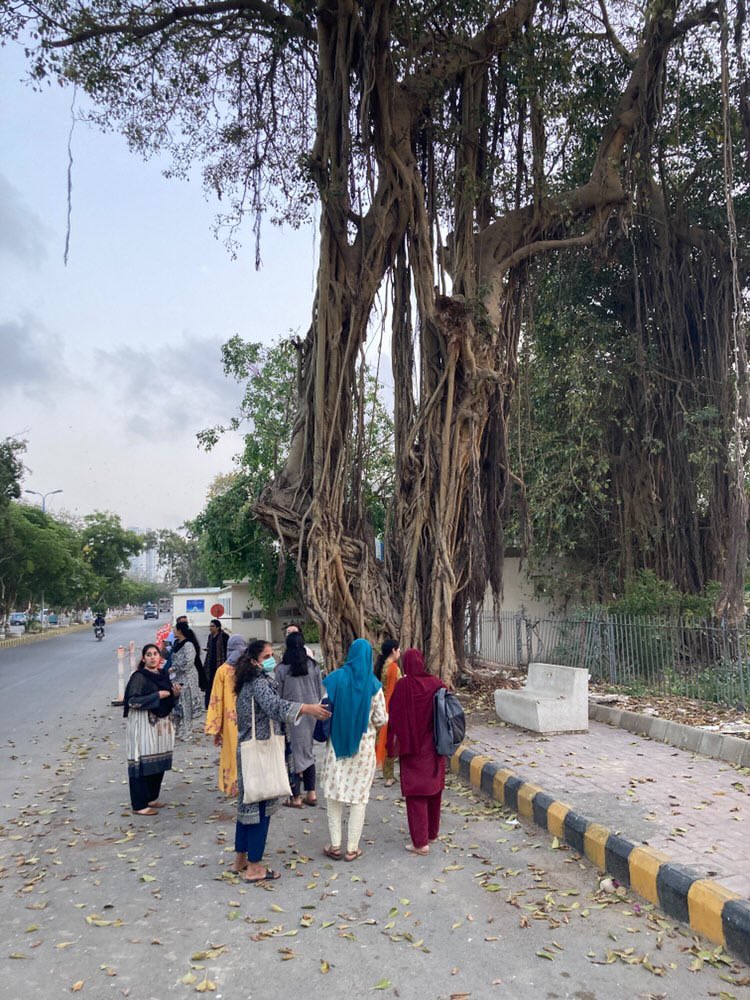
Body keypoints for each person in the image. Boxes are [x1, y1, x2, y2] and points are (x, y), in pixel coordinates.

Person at [233, 639, 330, 881]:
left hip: (249, 750)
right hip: (260, 752)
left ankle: (241, 860)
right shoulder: (259, 683)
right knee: (261, 806)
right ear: (255, 660)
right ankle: (255, 867)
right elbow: (276, 707)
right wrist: (307, 708)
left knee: (248, 804)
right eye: (267, 655)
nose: (271, 659)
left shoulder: (249, 682)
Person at [321, 638, 387, 862]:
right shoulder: (374, 686)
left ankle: (335, 845)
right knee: (359, 798)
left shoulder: (334, 680)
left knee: (334, 795)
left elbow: (323, 710)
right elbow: (381, 718)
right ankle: (352, 848)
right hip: (364, 748)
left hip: (337, 746)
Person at [386, 647, 446, 855]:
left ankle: (420, 843)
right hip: (434, 746)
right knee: (433, 789)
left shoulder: (403, 686)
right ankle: (432, 833)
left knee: (416, 794)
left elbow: (393, 715)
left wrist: (390, 746)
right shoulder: (437, 683)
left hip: (412, 747)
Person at [123, 643, 181, 816]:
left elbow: (169, 700)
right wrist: (156, 696)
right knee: (141, 761)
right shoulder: (139, 677)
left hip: (162, 725)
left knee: (158, 760)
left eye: (155, 654)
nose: (153, 657)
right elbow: (132, 701)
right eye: (148, 654)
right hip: (143, 724)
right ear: (143, 658)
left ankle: (151, 797)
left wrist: (175, 695)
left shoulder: (163, 675)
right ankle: (139, 805)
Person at [276, 632, 325, 807]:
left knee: (292, 752)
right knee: (308, 750)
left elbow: (278, 695)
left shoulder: (282, 669)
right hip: (312, 711)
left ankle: (295, 797)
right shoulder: (314, 666)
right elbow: (320, 691)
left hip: (291, 714)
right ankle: (311, 793)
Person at [204, 634, 247, 797]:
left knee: (231, 752)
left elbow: (216, 700)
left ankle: (233, 786)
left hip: (230, 721)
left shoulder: (222, 671)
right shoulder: (249, 667)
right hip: (249, 718)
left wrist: (215, 727)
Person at [170, 620, 204, 740]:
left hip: (188, 678)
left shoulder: (188, 644)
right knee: (177, 706)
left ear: (180, 630)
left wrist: (174, 668)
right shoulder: (176, 643)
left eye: (175, 629)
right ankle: (178, 730)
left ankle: (188, 731)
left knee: (187, 705)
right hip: (177, 678)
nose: (173, 631)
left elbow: (189, 662)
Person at [374, 639, 401, 787]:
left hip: (380, 706)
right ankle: (389, 777)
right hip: (391, 707)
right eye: (398, 650)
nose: (399, 653)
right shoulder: (394, 669)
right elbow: (399, 687)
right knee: (389, 742)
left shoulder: (381, 666)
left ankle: (375, 773)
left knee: (380, 740)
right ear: (393, 651)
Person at [204, 618, 229, 707]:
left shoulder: (224, 636)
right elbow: (209, 646)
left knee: (219, 682)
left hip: (220, 662)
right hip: (210, 662)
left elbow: (226, 650)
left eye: (212, 626)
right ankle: (209, 703)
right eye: (210, 626)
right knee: (209, 683)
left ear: (218, 627)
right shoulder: (210, 636)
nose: (210, 628)